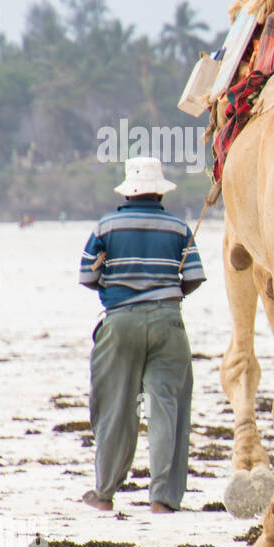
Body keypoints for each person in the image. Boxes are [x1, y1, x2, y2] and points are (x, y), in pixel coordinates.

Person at [77, 157, 205, 514]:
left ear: (128, 192)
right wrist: (166, 290)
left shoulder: (106, 227)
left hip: (119, 323)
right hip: (168, 323)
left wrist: (115, 282)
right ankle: (162, 498)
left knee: (115, 407)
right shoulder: (179, 228)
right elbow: (193, 278)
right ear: (159, 191)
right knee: (167, 408)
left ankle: (104, 493)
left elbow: (87, 278)